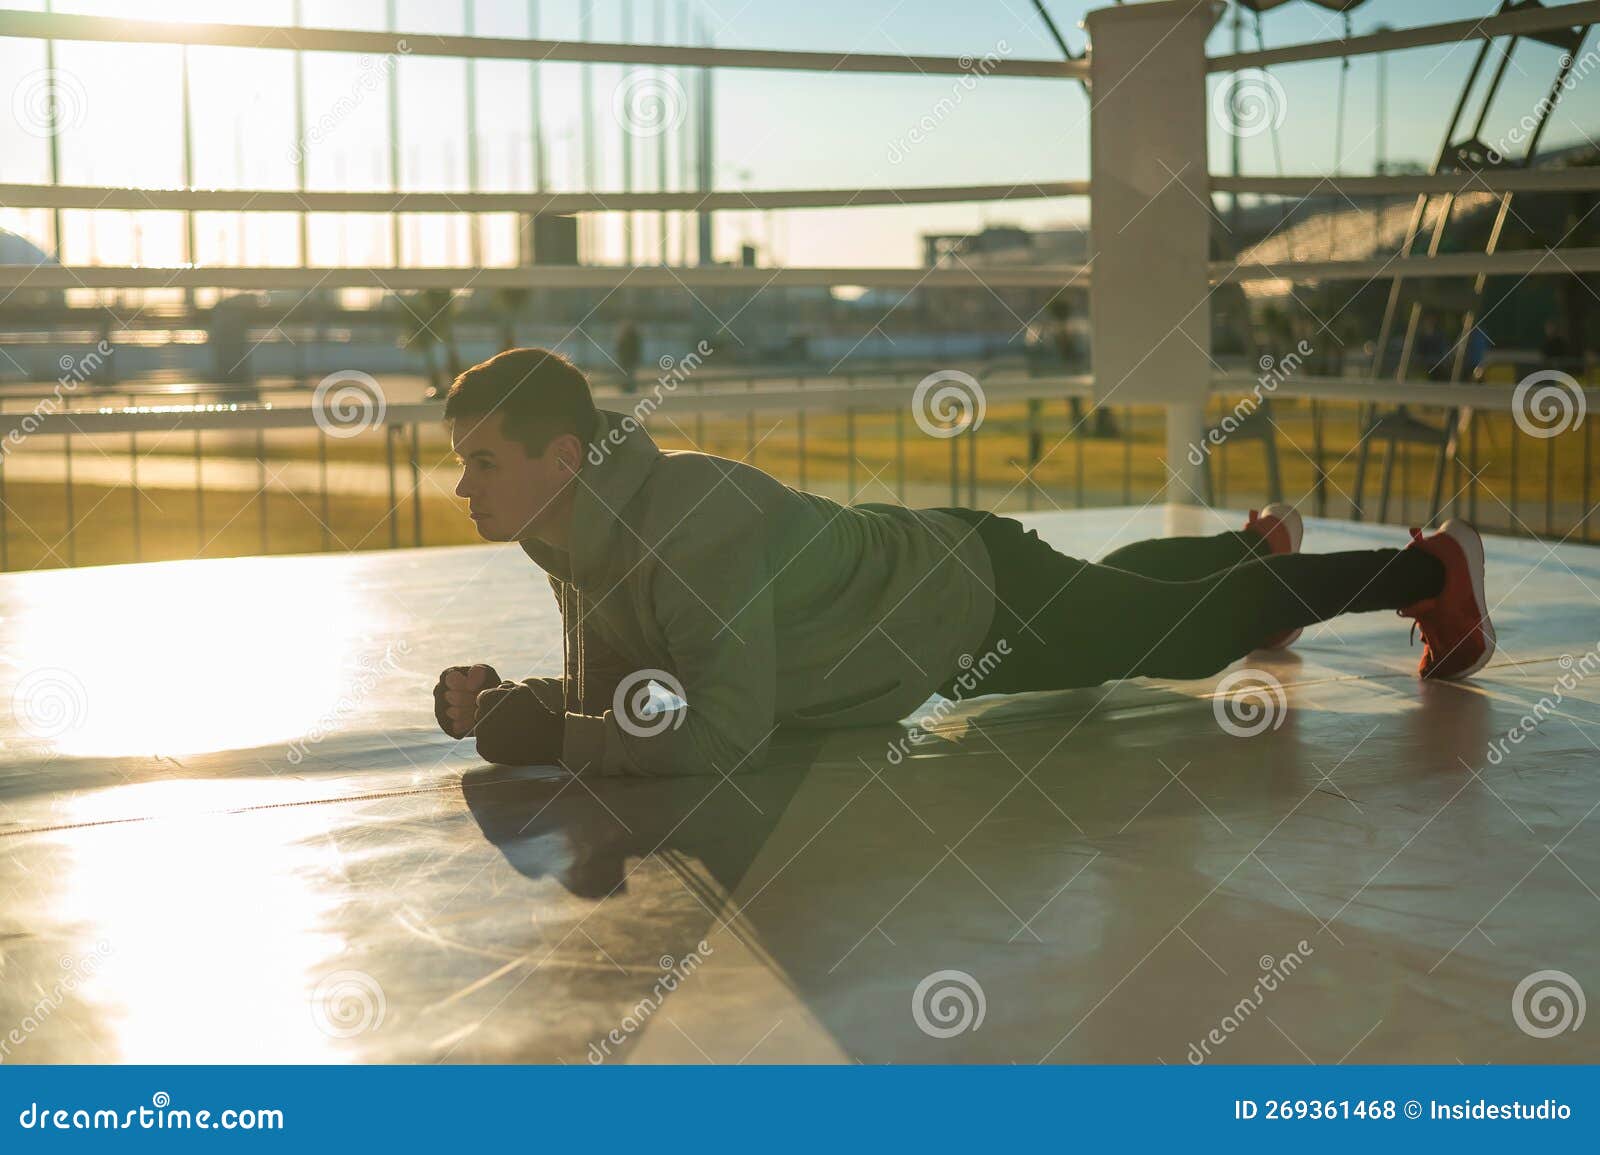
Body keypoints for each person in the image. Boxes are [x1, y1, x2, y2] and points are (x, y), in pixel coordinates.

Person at [433, 347, 1496, 777]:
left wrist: (553, 738)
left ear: (561, 457)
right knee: (1122, 604)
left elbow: (722, 729)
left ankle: (1428, 573)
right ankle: (1243, 552)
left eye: (481, 461)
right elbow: (621, 700)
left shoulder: (687, 522)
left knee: (1171, 640)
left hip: (964, 604)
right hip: (935, 590)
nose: (462, 486)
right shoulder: (576, 532)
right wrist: (515, 705)